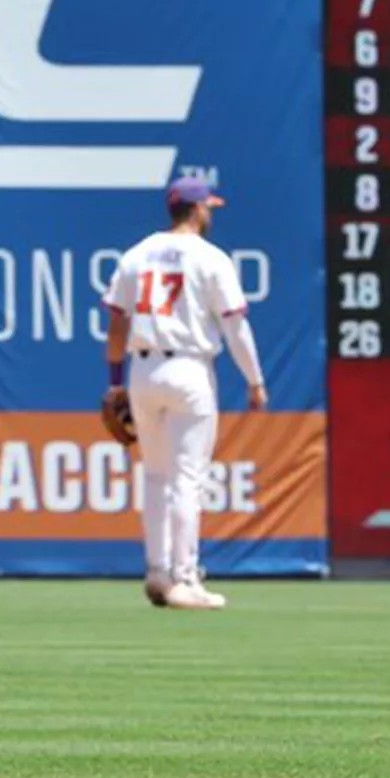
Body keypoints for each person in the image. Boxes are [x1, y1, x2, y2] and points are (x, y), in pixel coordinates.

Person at [100, 178, 266, 612]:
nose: (211, 213)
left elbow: (116, 324)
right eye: (208, 207)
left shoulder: (135, 254)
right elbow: (234, 324)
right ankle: (185, 577)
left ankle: (157, 570)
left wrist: (116, 380)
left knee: (155, 476)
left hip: (143, 368)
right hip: (189, 368)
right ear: (197, 210)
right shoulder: (210, 258)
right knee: (187, 479)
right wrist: (254, 379)